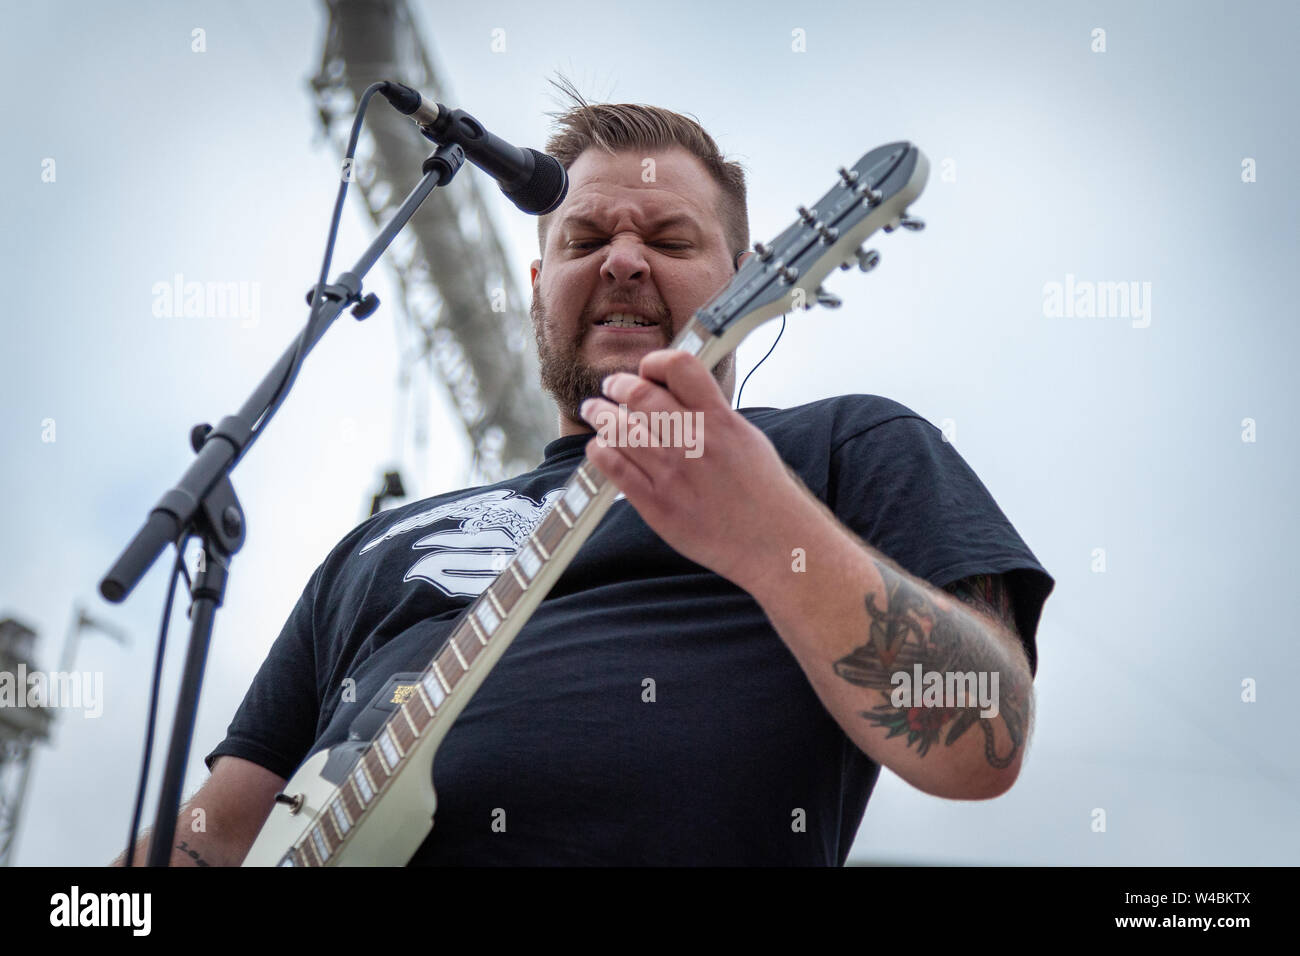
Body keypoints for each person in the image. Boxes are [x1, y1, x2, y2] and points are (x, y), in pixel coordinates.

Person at [113, 82, 1054, 867]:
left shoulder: (844, 448)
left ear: (747, 280)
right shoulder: (373, 547)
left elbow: (984, 735)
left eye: (673, 242)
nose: (626, 262)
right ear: (536, 288)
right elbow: (220, 830)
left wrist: (768, 529)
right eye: (585, 238)